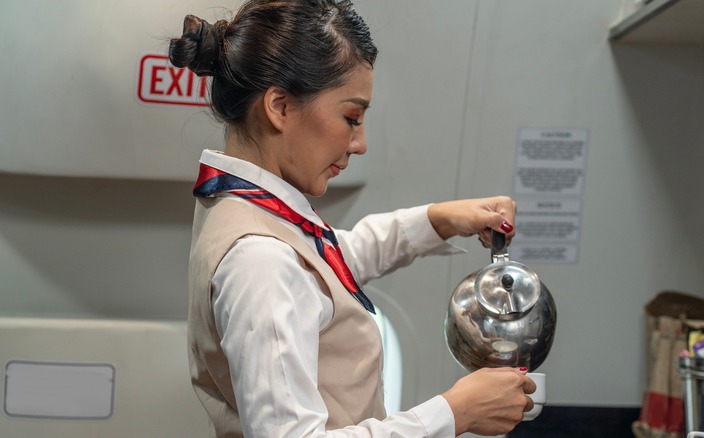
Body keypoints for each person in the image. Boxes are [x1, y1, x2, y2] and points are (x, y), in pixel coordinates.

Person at [171, 1, 536, 436]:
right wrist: (453, 413)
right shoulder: (261, 260)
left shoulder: (246, 208)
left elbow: (326, 264)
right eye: (352, 117)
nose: (359, 143)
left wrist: (438, 219)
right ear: (280, 107)